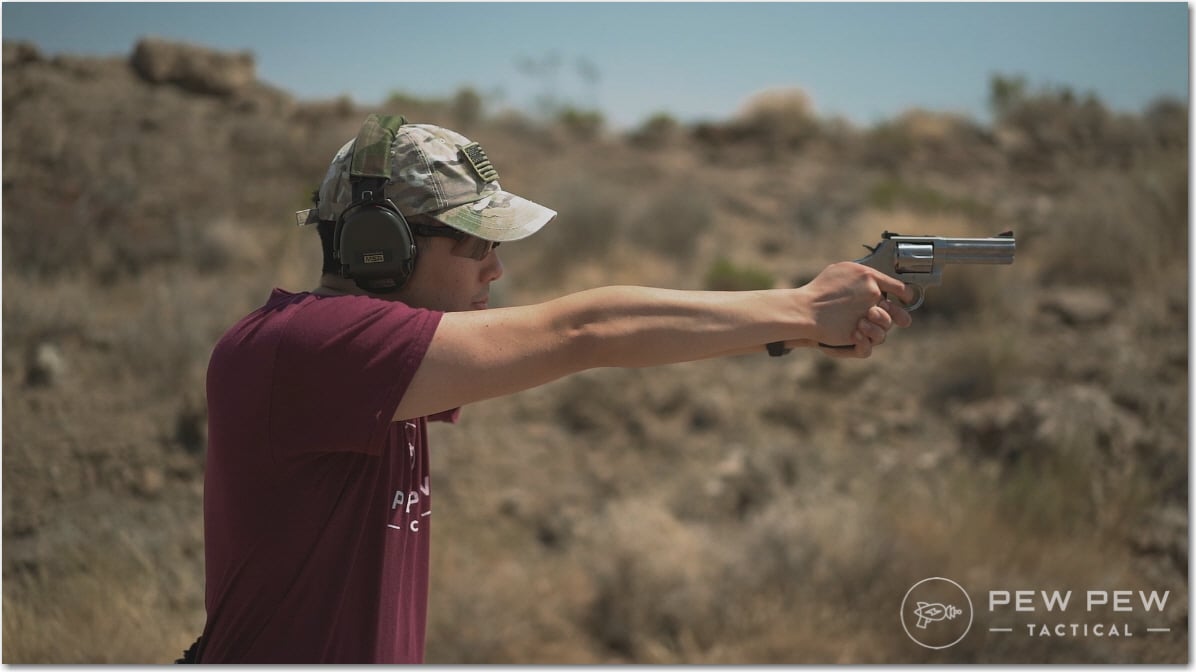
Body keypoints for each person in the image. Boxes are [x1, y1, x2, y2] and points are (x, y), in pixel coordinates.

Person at [189, 116, 913, 663]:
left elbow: (601, 338)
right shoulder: (304, 349)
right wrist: (803, 308)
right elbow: (587, 332)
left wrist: (794, 331)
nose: (495, 269)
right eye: (477, 243)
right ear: (381, 246)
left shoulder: (363, 365)